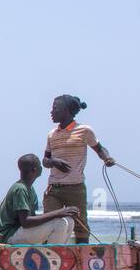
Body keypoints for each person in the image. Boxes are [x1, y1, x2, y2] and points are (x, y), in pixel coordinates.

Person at [43, 94, 113, 244]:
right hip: (54, 188)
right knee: (48, 224)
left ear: (66, 110)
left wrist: (107, 158)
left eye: (55, 108)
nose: (51, 111)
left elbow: (100, 149)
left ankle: (82, 260)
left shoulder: (84, 131)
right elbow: (45, 160)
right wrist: (54, 162)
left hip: (75, 187)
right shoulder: (51, 134)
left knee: (81, 226)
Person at [0, 154, 78, 243]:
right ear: (34, 170)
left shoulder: (30, 189)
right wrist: (59, 213)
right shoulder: (20, 189)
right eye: (39, 165)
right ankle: (53, 255)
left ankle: (60, 252)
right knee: (60, 223)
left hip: (20, 231)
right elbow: (25, 222)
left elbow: (31, 218)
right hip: (10, 235)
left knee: (69, 221)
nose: (41, 168)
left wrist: (62, 214)